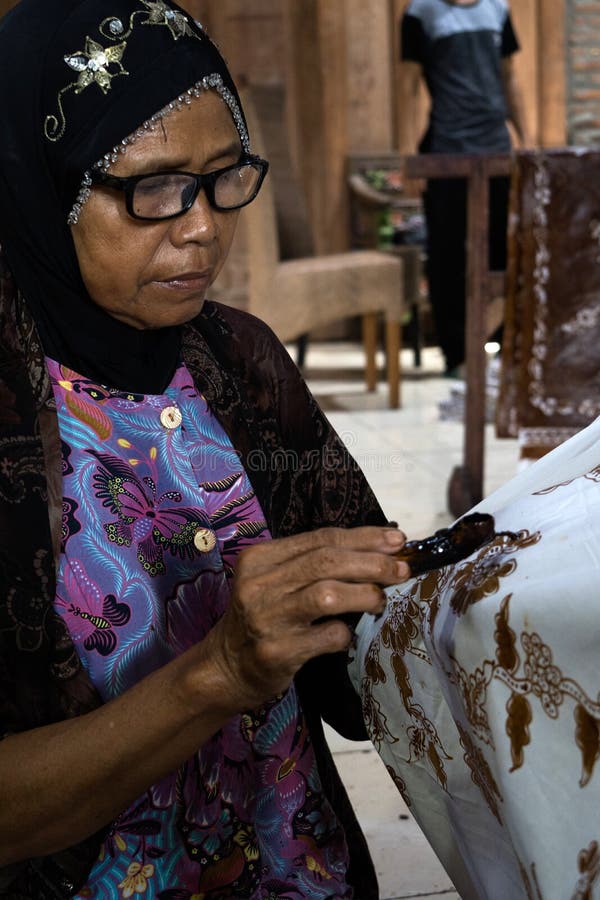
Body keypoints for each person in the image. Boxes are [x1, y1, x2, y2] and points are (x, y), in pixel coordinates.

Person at [0, 1, 412, 897]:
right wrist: (218, 671)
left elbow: (367, 655)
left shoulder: (236, 358)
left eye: (225, 177)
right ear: (39, 186)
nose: (202, 227)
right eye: (153, 189)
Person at [400, 0, 530, 376]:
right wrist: (410, 156)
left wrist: (527, 141)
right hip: (446, 153)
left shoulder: (498, 9)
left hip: (498, 154)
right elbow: (408, 87)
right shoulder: (419, 14)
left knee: (507, 255)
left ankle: (506, 351)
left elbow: (510, 77)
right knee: (447, 259)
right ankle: (457, 356)